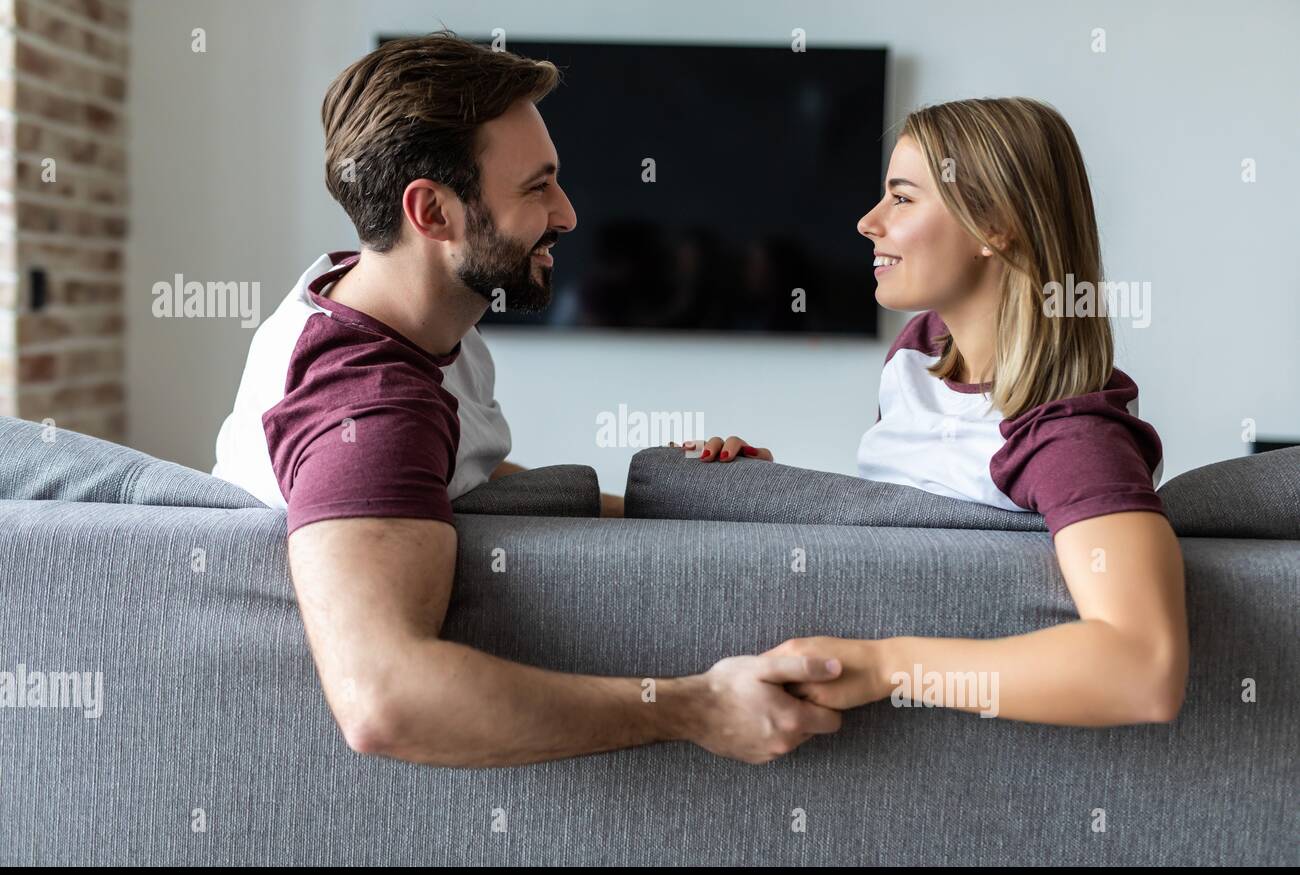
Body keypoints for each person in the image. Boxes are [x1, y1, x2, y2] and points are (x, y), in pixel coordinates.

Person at [211, 32, 845, 767]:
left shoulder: (395, 303)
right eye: (536, 186)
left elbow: (452, 477)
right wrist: (700, 707)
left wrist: (686, 501)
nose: (569, 214)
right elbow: (384, 702)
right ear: (433, 214)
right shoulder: (371, 409)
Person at [689, 97, 1188, 727]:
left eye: (901, 198)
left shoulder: (1069, 439)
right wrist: (782, 495)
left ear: (994, 225)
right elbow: (913, 515)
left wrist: (886, 668)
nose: (868, 222)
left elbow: (1142, 669)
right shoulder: (918, 357)